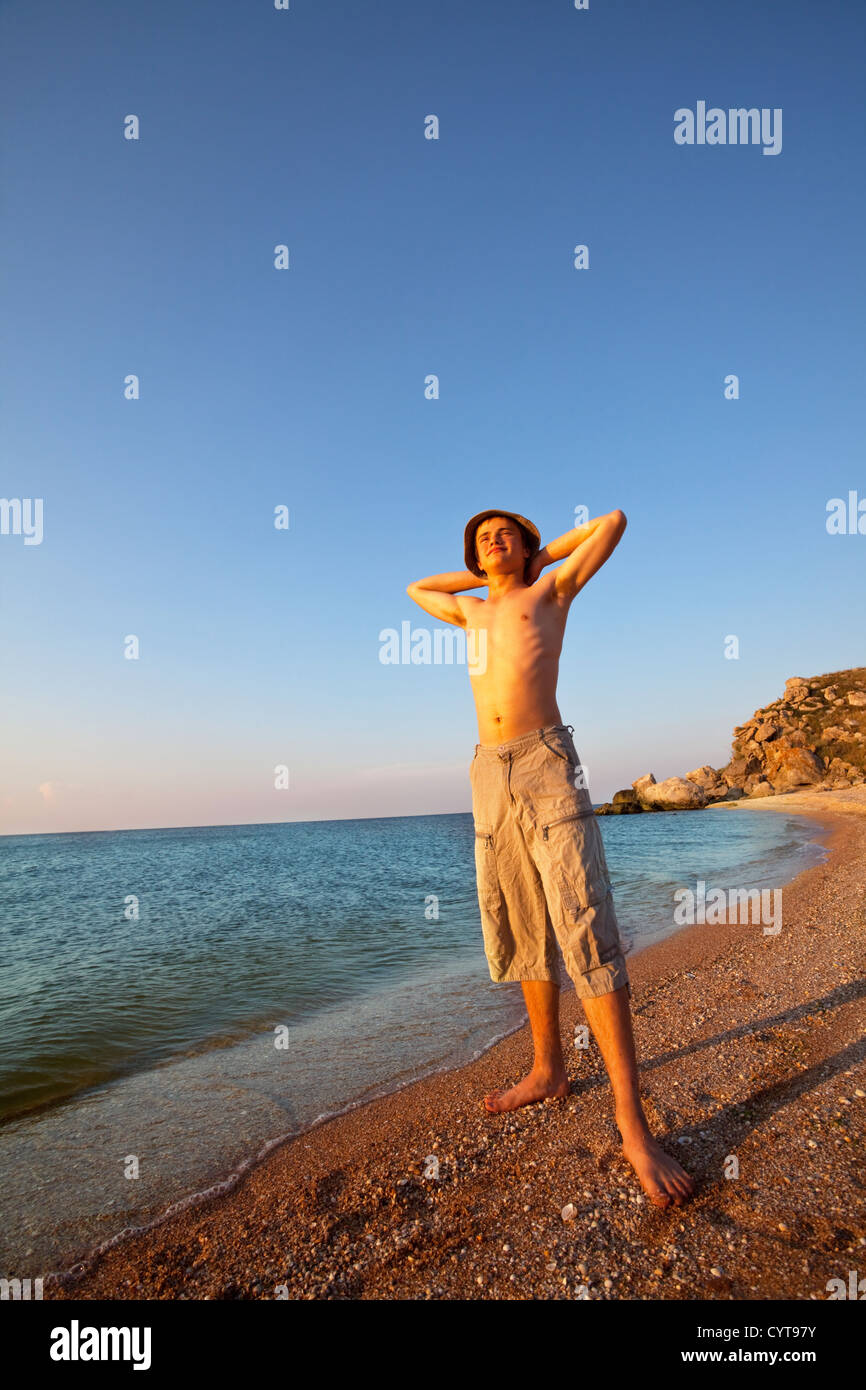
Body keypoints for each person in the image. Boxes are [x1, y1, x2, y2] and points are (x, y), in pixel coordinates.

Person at [407, 509, 694, 1208]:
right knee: (523, 923)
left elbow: (615, 522)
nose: (492, 541)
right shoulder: (472, 614)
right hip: (487, 772)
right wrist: (486, 571)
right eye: (481, 538)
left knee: (584, 924)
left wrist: (535, 560)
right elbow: (418, 588)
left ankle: (633, 1124)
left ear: (531, 546)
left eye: (505, 532)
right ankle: (547, 1069)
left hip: (544, 760)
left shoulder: (551, 592)